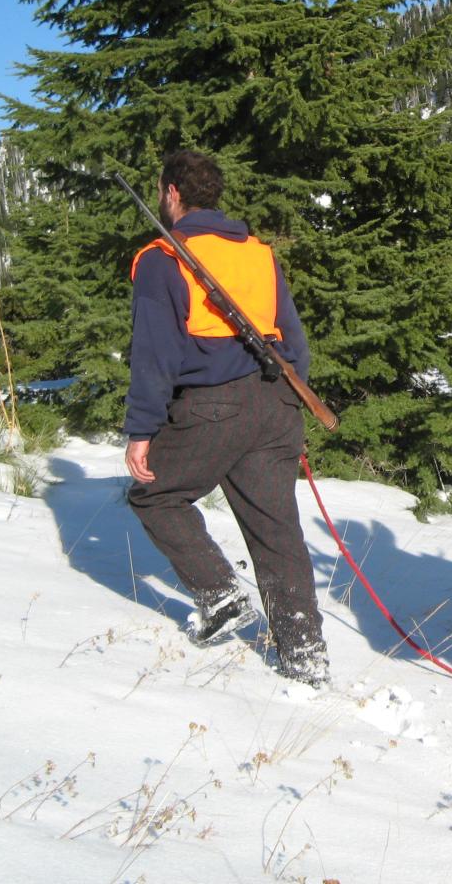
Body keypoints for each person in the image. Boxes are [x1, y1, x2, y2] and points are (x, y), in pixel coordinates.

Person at [123, 149, 328, 686]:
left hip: (213, 403)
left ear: (171, 192)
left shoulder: (162, 257)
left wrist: (141, 430)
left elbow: (154, 353)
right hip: (275, 401)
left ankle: (219, 593)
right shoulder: (258, 253)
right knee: (277, 531)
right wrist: (287, 407)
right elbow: (295, 342)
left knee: (154, 493)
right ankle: (305, 656)